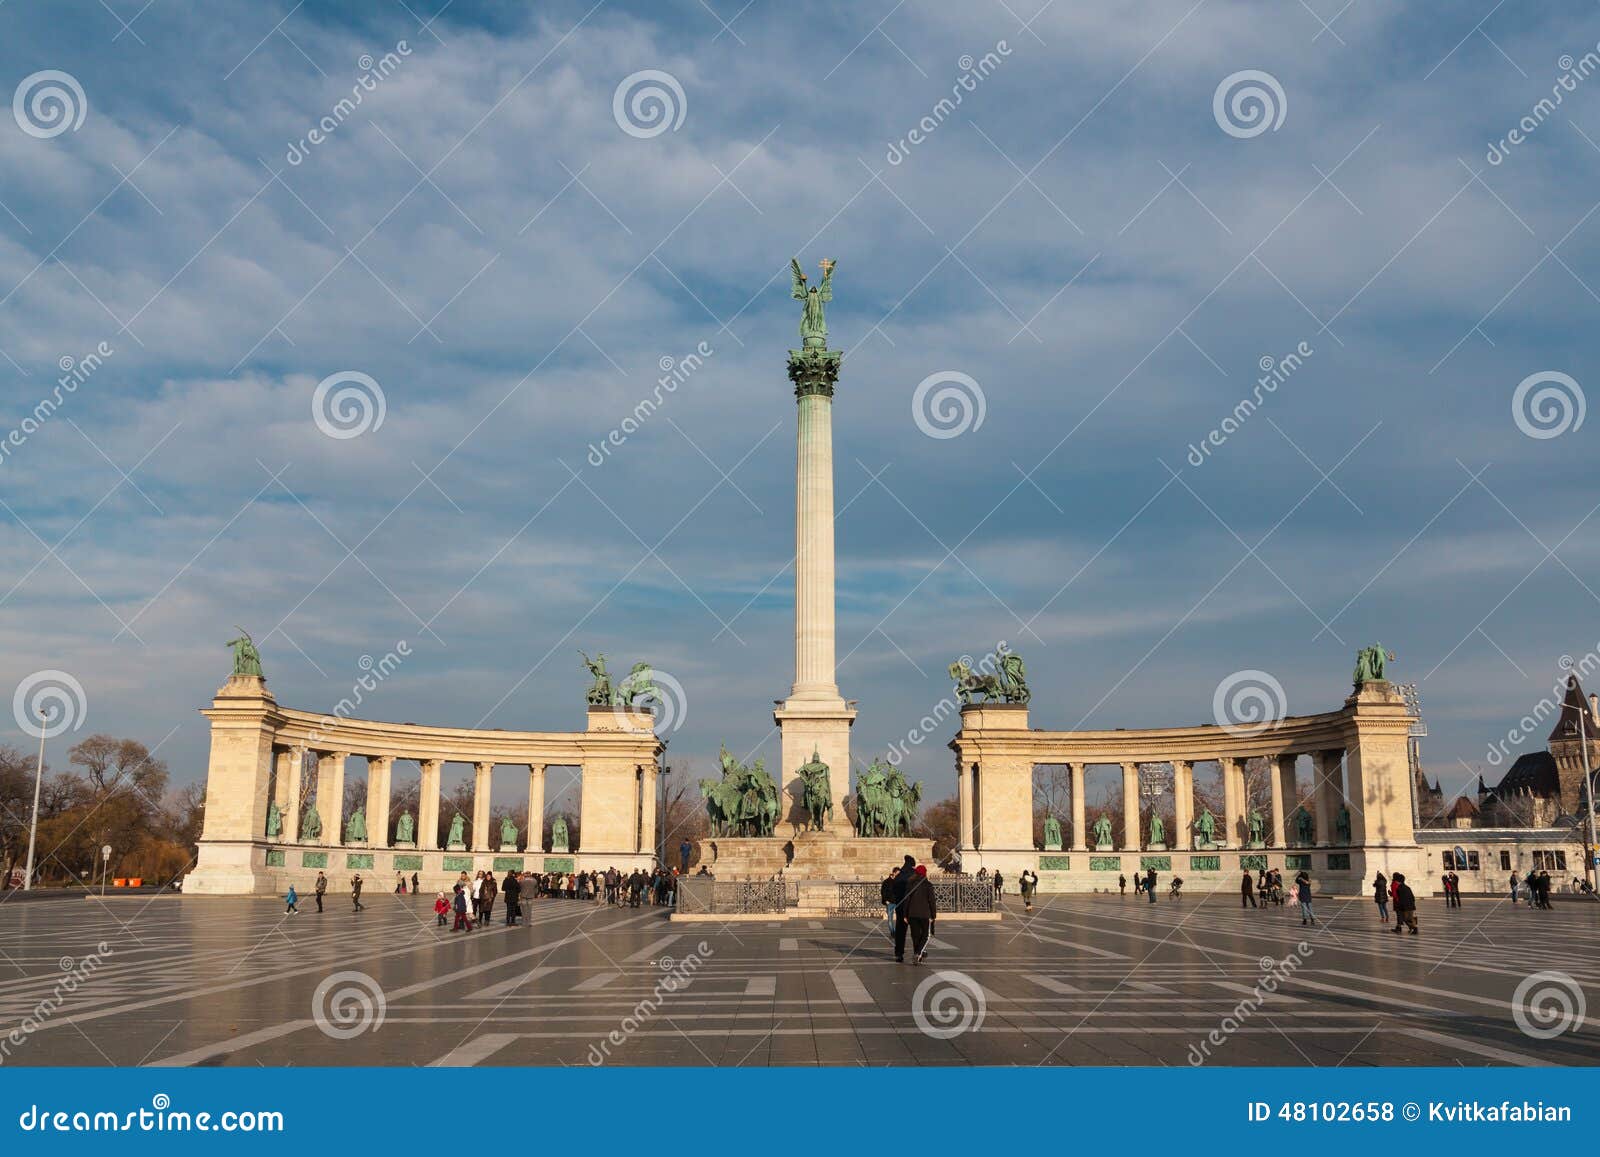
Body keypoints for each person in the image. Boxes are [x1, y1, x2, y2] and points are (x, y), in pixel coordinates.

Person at [898, 863, 939, 964]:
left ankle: (918, 955)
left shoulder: (910, 884)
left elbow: (906, 900)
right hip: (924, 914)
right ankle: (918, 952)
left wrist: (905, 914)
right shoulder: (928, 885)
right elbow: (932, 901)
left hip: (912, 914)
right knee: (925, 935)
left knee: (915, 936)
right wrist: (933, 915)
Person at [880, 868, 898, 935]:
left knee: (899, 918)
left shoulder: (897, 881)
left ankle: (896, 932)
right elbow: (883, 892)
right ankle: (893, 932)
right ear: (893, 873)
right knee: (890, 918)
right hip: (889, 902)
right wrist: (886, 900)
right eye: (897, 874)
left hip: (897, 902)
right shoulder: (886, 882)